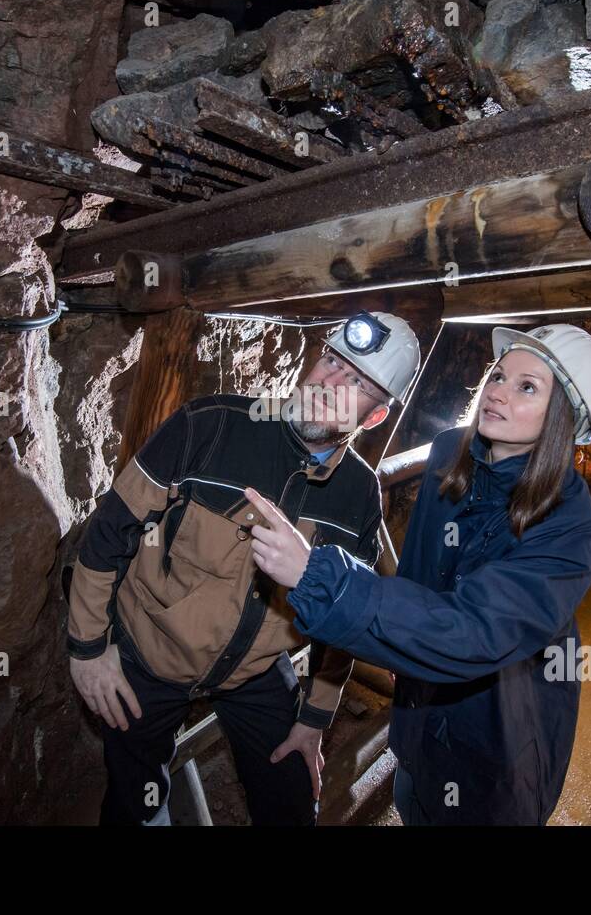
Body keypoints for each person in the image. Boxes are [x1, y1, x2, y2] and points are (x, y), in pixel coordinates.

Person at [246, 323, 591, 825]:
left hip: (498, 748)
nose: (499, 392)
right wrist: (403, 648)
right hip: (420, 719)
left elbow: (474, 633)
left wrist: (317, 575)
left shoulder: (571, 530)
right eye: (499, 376)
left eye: (527, 386)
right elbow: (418, 577)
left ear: (564, 418)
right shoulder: (448, 456)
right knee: (413, 801)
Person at [66, 311, 421, 825]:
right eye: (332, 360)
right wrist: (88, 650)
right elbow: (108, 534)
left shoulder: (360, 495)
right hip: (152, 648)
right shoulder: (209, 425)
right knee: (134, 809)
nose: (331, 382)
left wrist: (315, 720)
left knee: (293, 799)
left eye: (359, 383)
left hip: (254, 669)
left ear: (373, 418)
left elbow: (341, 620)